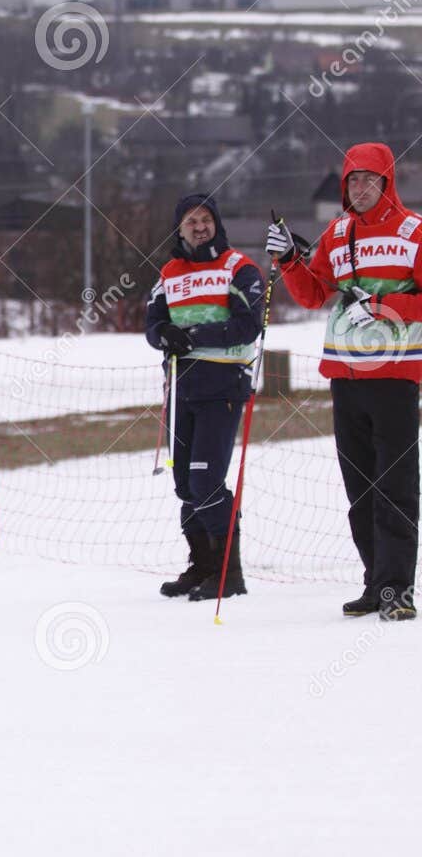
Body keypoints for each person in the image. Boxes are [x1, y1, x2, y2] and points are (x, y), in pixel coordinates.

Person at [268, 142, 422, 620]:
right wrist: (289, 260)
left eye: (369, 179)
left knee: (395, 485)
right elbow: (315, 295)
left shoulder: (414, 232)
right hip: (345, 377)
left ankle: (397, 589)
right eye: (352, 179)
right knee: (360, 489)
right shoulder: (337, 233)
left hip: (395, 376)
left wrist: (381, 306)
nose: (360, 187)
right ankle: (375, 582)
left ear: (387, 181)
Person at [145, 194, 265, 601]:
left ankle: (230, 572)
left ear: (216, 223)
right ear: (179, 228)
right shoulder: (168, 273)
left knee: (206, 480)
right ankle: (203, 564)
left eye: (205, 220)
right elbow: (153, 324)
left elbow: (248, 324)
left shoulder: (238, 267)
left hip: (222, 386)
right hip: (181, 388)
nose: (199, 227)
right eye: (191, 221)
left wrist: (194, 336)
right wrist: (164, 334)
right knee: (185, 484)